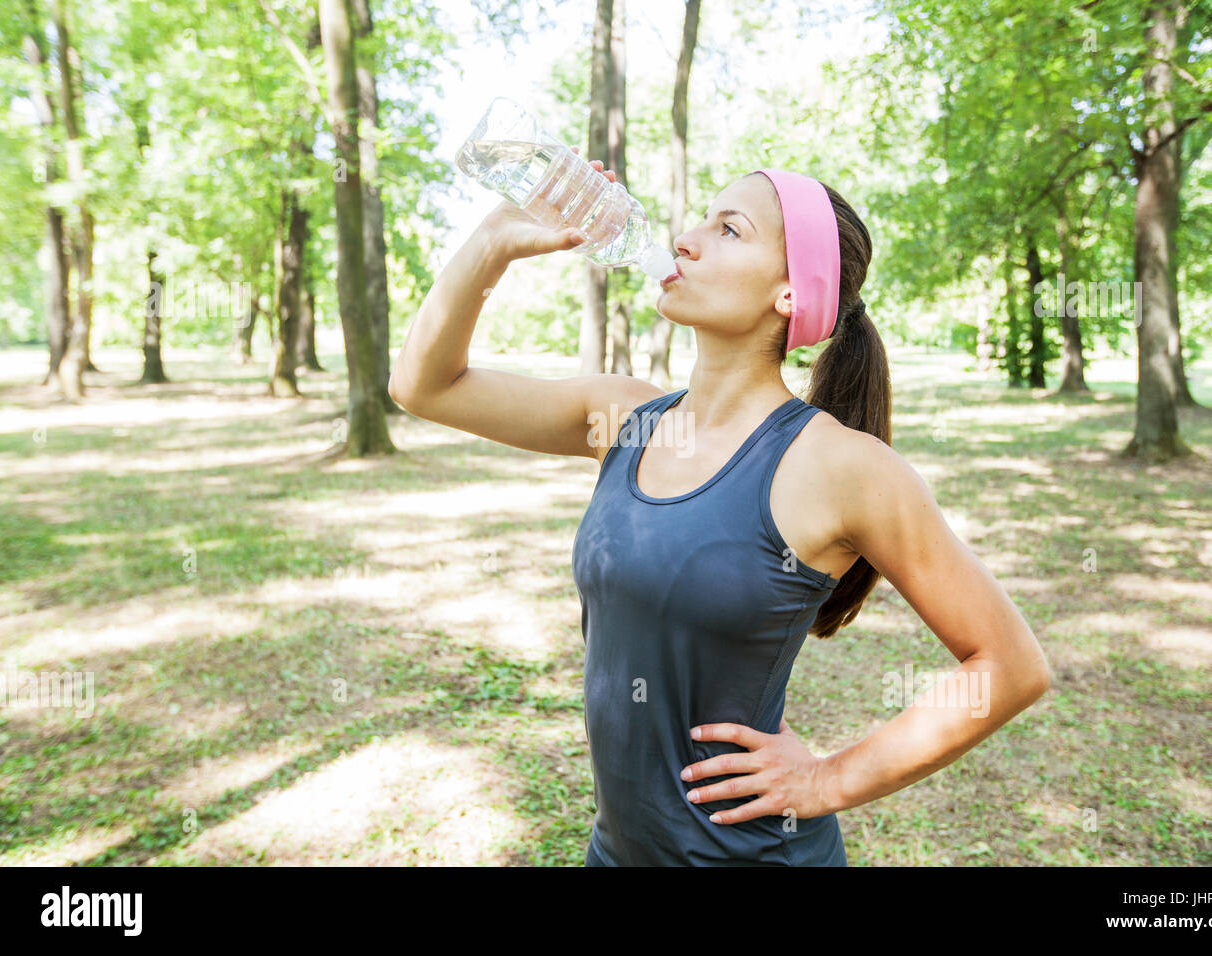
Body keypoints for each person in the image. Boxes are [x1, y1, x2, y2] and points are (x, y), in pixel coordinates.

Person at [388, 150, 1051, 867]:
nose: (686, 239)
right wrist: (494, 240)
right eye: (702, 218)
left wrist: (828, 778)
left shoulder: (840, 467)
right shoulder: (624, 416)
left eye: (730, 230)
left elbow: (1010, 665)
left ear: (792, 295)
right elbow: (426, 385)